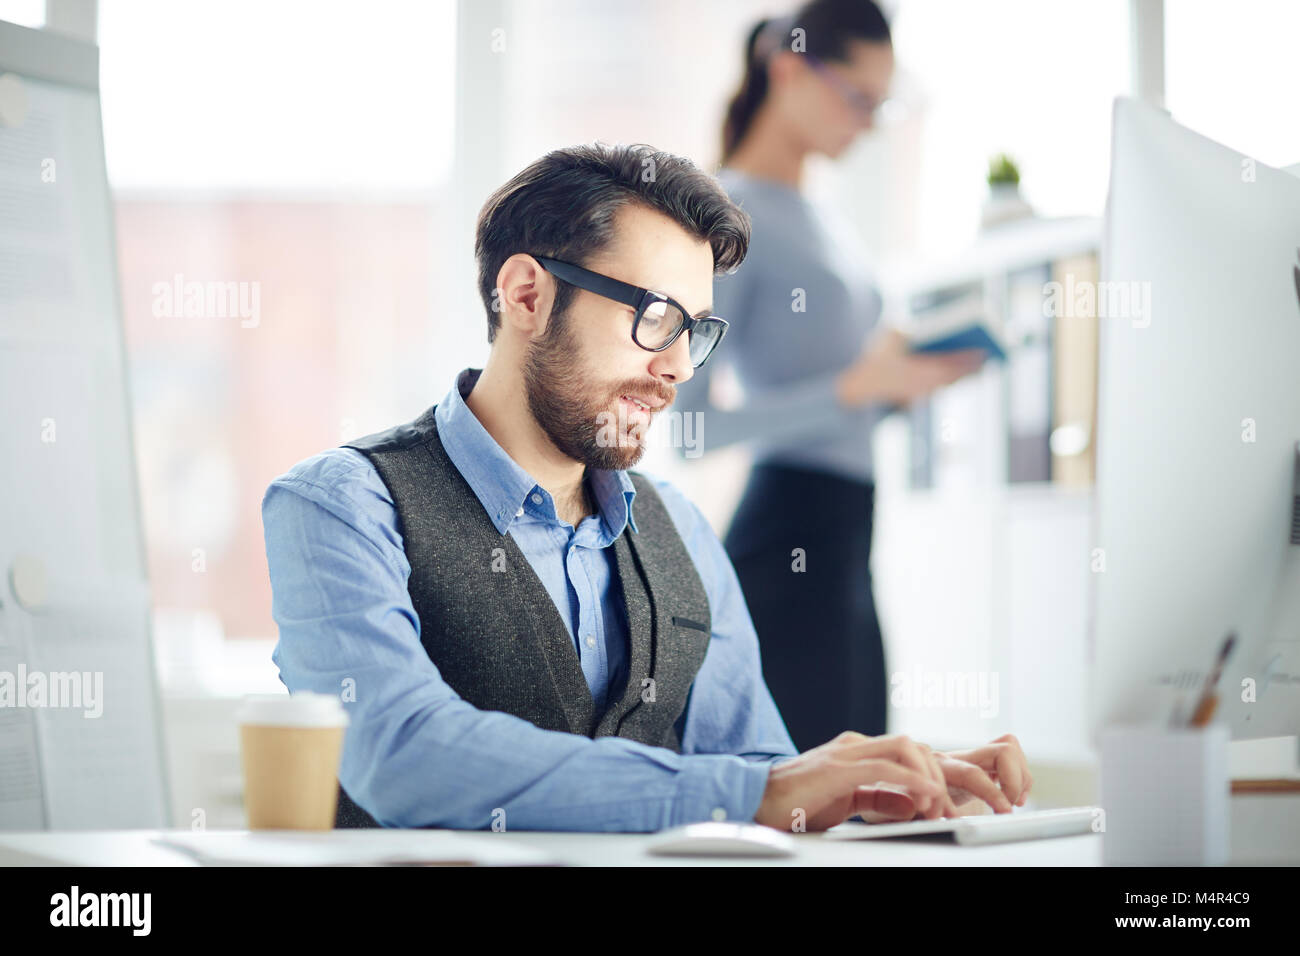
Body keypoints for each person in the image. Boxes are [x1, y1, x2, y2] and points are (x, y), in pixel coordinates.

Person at [261, 142, 1031, 833]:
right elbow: (400, 755)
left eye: (694, 331)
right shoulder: (341, 507)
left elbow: (763, 776)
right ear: (526, 295)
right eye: (657, 317)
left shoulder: (685, 534)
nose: (678, 370)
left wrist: (887, 794)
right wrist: (760, 789)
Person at [672, 0, 985, 750]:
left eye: (883, 104)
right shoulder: (728, 213)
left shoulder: (824, 219)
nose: (870, 123)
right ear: (788, 68)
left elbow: (846, 400)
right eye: (859, 99)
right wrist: (855, 388)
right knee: (813, 795)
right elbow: (688, 428)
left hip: (848, 536)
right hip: (788, 536)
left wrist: (899, 385)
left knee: (868, 786)